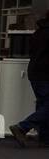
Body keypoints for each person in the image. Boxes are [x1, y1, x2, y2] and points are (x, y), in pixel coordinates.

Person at [9, 14, 49, 146]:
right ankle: (23, 127)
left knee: (43, 104)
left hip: (35, 72)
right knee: (46, 106)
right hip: (45, 73)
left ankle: (45, 137)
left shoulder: (38, 32)